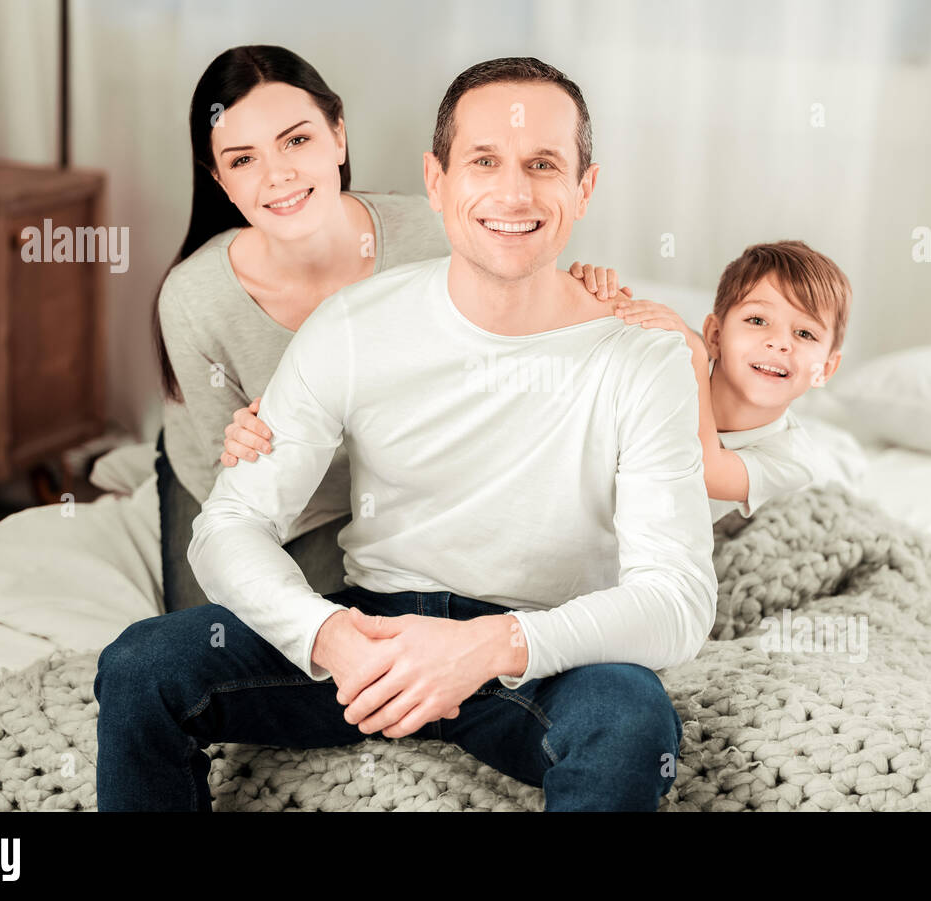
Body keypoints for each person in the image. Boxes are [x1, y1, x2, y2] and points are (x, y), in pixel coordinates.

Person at [96, 56, 717, 812]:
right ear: (436, 181)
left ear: (585, 187)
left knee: (630, 717)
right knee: (139, 664)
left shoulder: (644, 361)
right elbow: (228, 521)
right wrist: (328, 636)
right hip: (371, 631)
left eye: (544, 164)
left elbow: (679, 599)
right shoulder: (352, 325)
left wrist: (491, 647)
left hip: (538, 650)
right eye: (484, 161)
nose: (513, 193)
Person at [152, 45, 628, 614]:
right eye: (242, 159)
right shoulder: (192, 298)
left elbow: (526, 308)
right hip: (277, 493)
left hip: (404, 493)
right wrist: (253, 448)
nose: (278, 175)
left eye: (297, 140)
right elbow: (231, 489)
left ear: (338, 137)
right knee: (229, 633)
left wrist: (584, 292)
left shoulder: (435, 236)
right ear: (220, 180)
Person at [613, 240, 853, 521]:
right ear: (715, 336)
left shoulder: (794, 458)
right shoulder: (674, 357)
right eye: (758, 320)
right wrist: (592, 288)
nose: (778, 342)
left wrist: (697, 358)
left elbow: (705, 471)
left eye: (804, 334)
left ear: (825, 368)